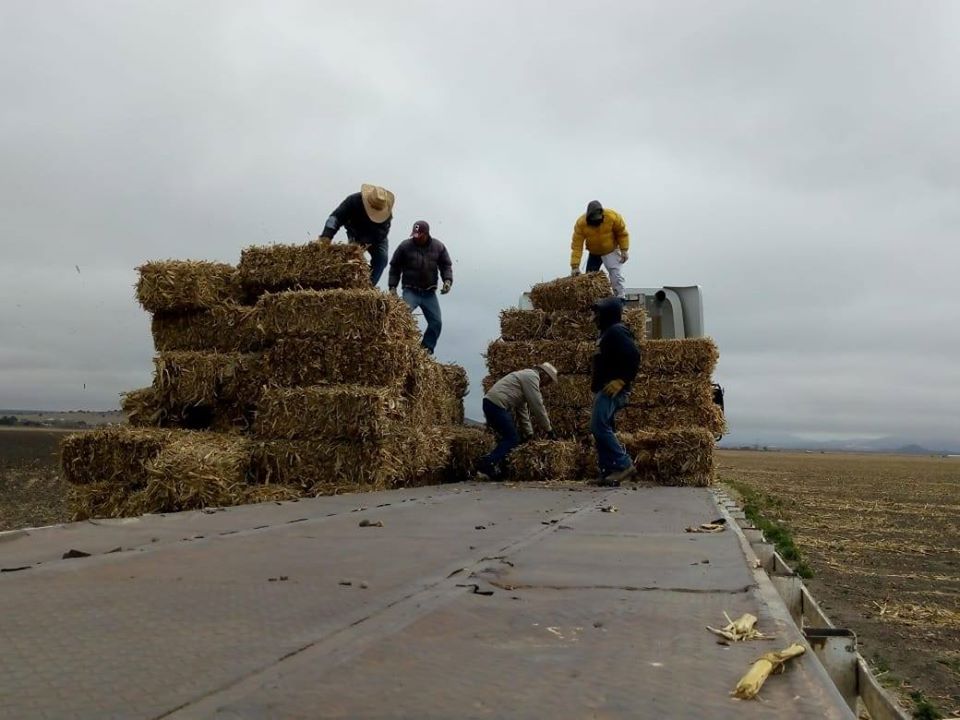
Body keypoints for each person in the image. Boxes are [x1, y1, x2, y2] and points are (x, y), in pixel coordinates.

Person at [589, 297, 641, 486]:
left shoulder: (616, 331)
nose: (594, 317)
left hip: (612, 390)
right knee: (603, 429)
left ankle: (623, 465)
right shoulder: (606, 333)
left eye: (598, 313)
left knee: (599, 427)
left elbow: (634, 355)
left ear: (608, 314)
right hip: (605, 389)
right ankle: (608, 471)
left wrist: (621, 380)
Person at [476, 363, 559, 480]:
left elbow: (522, 410)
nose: (546, 385)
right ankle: (487, 464)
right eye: (549, 381)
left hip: (491, 404)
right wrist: (549, 430)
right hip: (496, 405)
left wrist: (529, 433)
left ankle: (497, 467)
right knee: (512, 438)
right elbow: (537, 406)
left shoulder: (525, 378)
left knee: (508, 438)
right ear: (544, 375)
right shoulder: (532, 377)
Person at [387, 220, 453, 355]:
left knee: (436, 323)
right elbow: (395, 267)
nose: (416, 238)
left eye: (419, 235)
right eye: (414, 235)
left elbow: (446, 265)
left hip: (429, 293)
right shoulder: (405, 246)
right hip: (411, 291)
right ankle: (400, 347)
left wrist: (447, 281)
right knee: (402, 316)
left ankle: (425, 351)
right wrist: (392, 287)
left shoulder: (438, 247)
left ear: (426, 234)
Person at [318, 184, 395, 286]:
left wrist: (362, 247)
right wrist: (326, 236)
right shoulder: (353, 201)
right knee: (353, 260)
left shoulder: (386, 215)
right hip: (355, 232)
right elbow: (335, 218)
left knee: (382, 259)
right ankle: (350, 283)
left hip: (377, 238)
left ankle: (368, 286)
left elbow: (380, 235)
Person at [569, 200, 630, 299]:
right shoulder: (581, 224)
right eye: (594, 219)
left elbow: (622, 233)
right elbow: (577, 246)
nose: (597, 220)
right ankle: (591, 300)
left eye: (599, 217)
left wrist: (624, 250)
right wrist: (575, 266)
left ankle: (620, 298)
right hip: (594, 253)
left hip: (611, 250)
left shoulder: (612, 216)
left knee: (616, 275)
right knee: (589, 279)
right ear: (589, 217)